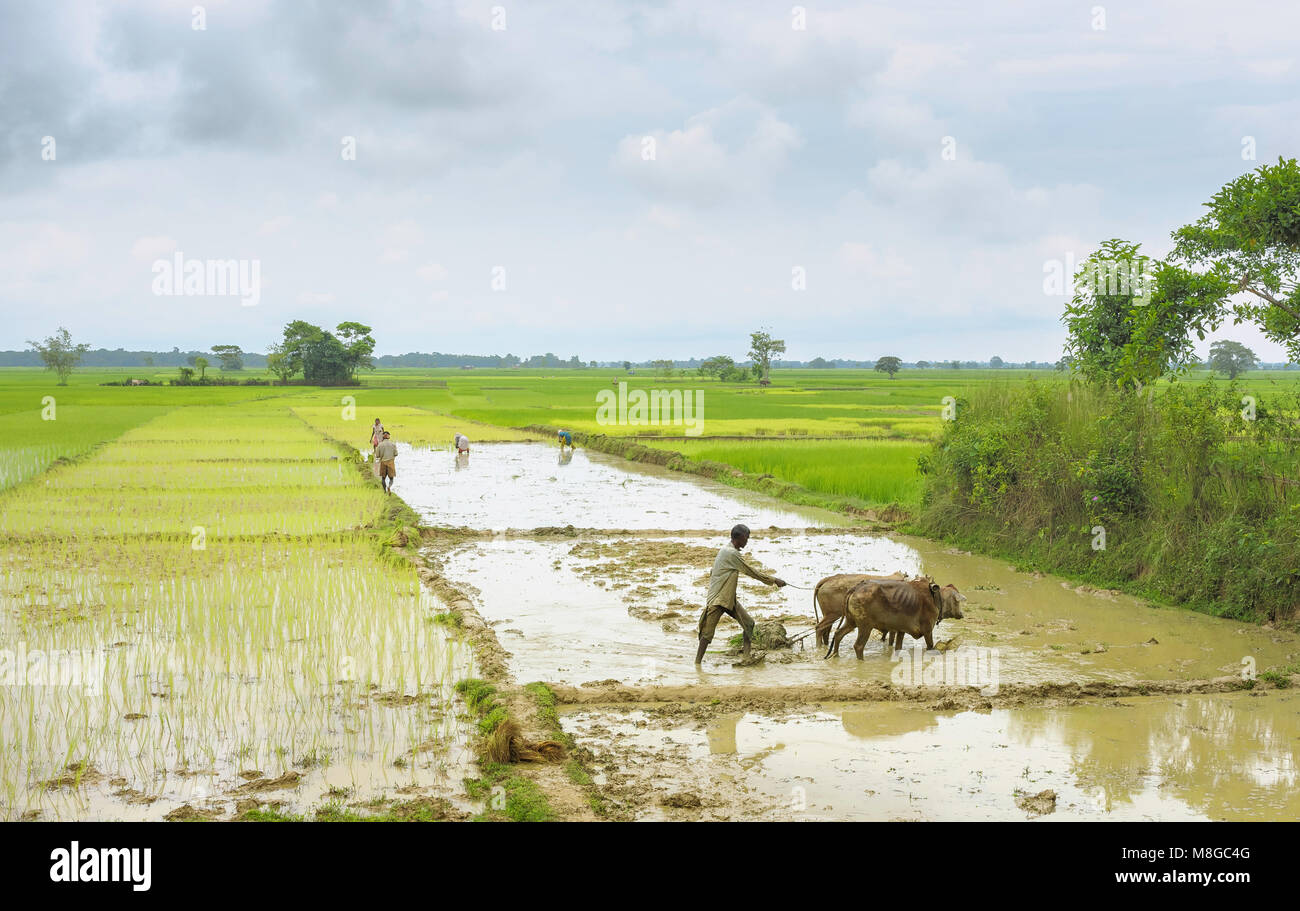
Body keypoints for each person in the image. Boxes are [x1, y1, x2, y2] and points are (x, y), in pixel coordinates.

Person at [696, 524, 786, 664]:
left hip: (729, 598)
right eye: (746, 538)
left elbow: (713, 572)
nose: (747, 541)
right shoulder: (731, 553)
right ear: (739, 537)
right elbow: (750, 571)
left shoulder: (727, 550)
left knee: (749, 624)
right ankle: (697, 663)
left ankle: (746, 657)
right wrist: (774, 580)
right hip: (719, 599)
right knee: (707, 634)